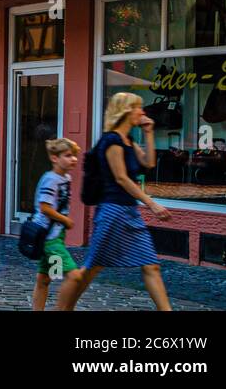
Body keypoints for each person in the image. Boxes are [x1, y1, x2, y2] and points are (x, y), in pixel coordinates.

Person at [57, 92, 172, 311]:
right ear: (126, 111)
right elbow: (121, 178)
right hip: (112, 211)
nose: (142, 111)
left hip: (129, 212)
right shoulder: (111, 140)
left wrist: (148, 133)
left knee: (151, 266)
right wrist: (152, 203)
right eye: (138, 107)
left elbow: (148, 163)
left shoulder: (128, 141)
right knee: (91, 268)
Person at [30, 138, 84, 311]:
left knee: (45, 279)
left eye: (74, 155)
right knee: (75, 276)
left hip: (56, 236)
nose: (73, 159)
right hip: (49, 239)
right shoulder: (51, 180)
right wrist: (65, 219)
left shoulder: (65, 177)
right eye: (68, 156)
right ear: (55, 158)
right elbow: (44, 207)